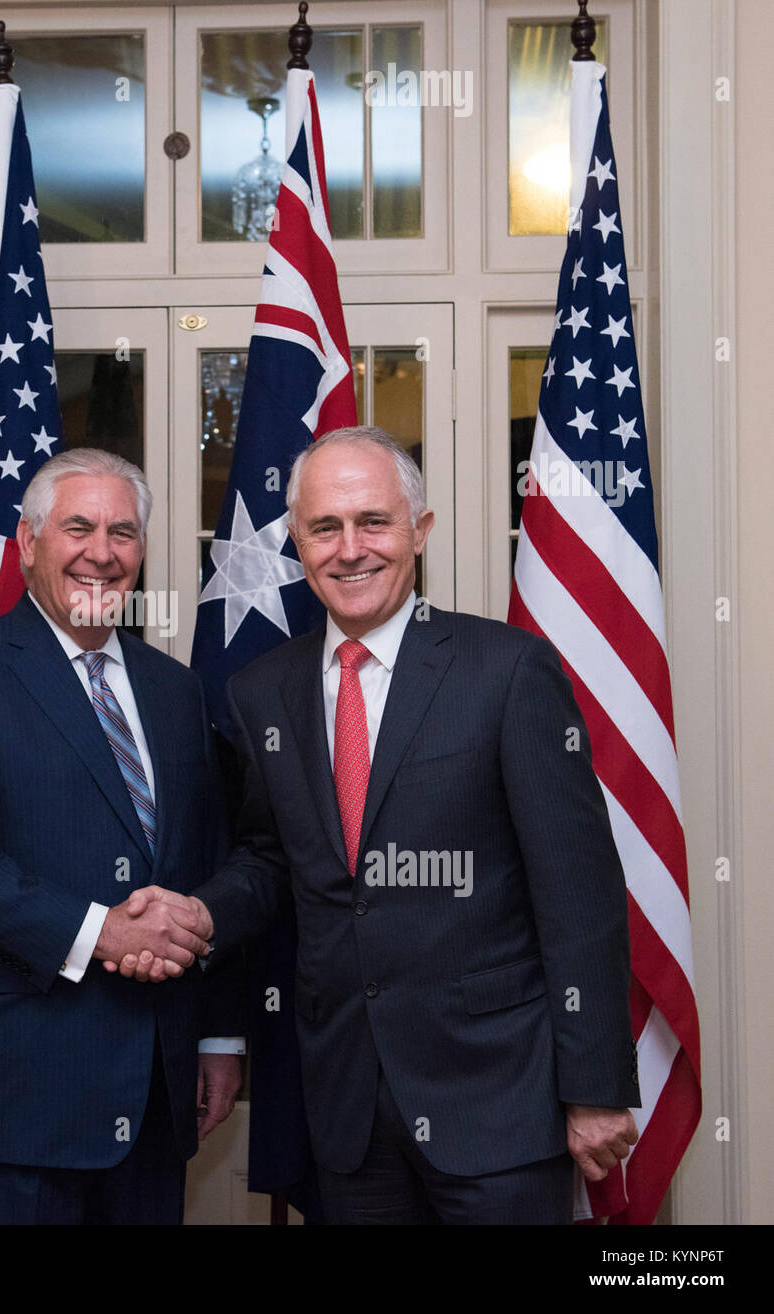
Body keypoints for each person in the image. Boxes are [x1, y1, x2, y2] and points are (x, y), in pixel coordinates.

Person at [111, 426, 641, 1225]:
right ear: (297, 541)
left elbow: (580, 892)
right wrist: (203, 913)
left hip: (497, 1100)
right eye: (325, 527)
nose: (350, 548)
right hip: (346, 1106)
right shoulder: (263, 692)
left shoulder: (507, 671)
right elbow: (270, 856)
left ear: (419, 531)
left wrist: (595, 1087)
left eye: (374, 522)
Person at [0, 448, 244, 1225]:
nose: (102, 552)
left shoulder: (174, 688)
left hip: (156, 1097)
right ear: (27, 543)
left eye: (123, 532)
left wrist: (218, 1034)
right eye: (78, 527)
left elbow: (208, 859)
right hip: (16, 1107)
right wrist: (103, 934)